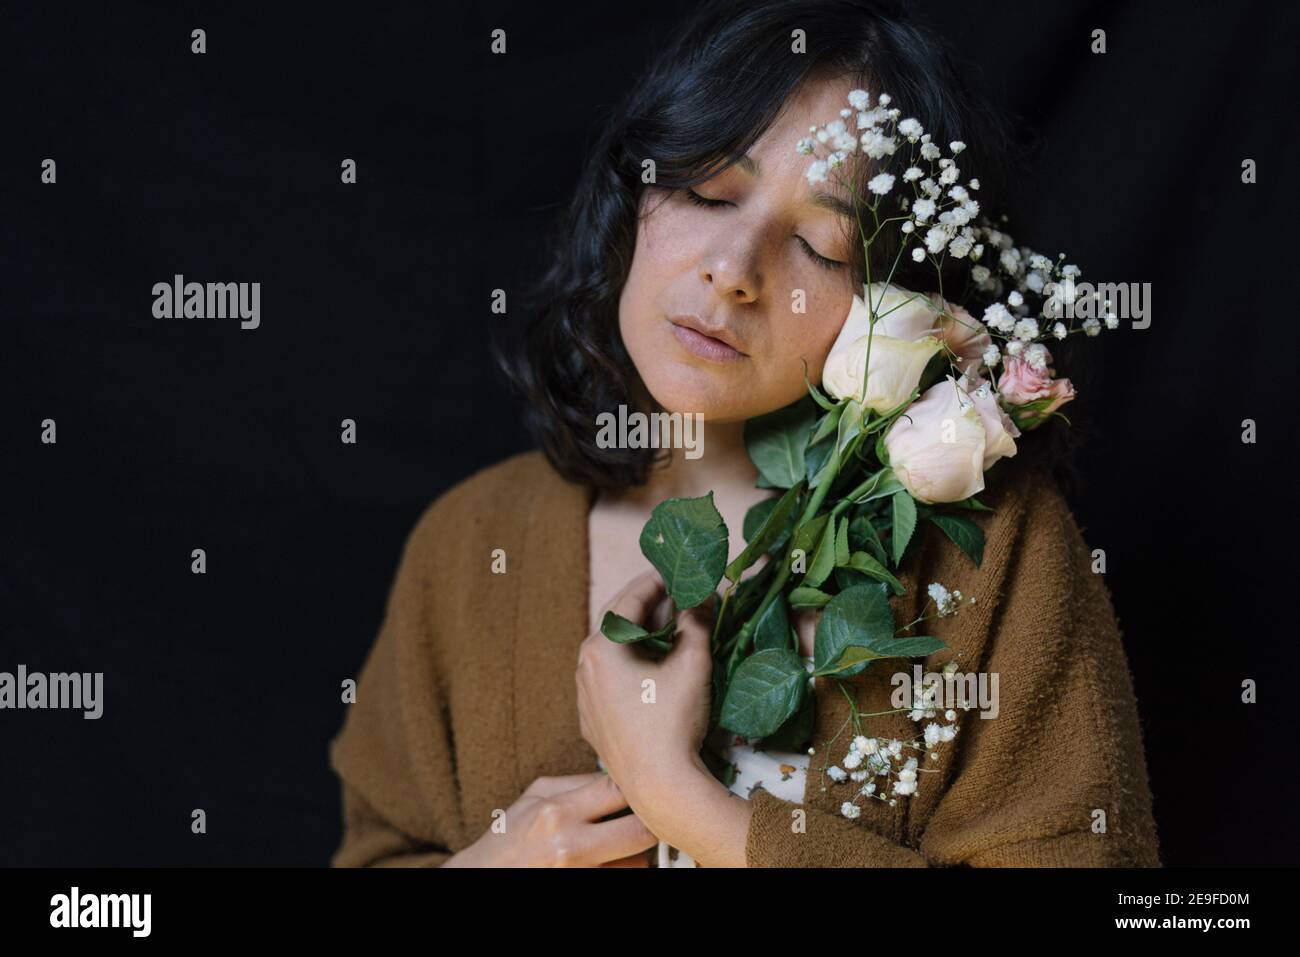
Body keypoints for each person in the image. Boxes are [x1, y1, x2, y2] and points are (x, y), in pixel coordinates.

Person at [327, 0, 1160, 868]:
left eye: (821, 243)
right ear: (636, 191)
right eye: (708, 189)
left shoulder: (994, 553)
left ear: (899, 301)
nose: (734, 271)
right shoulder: (468, 544)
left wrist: (684, 802)